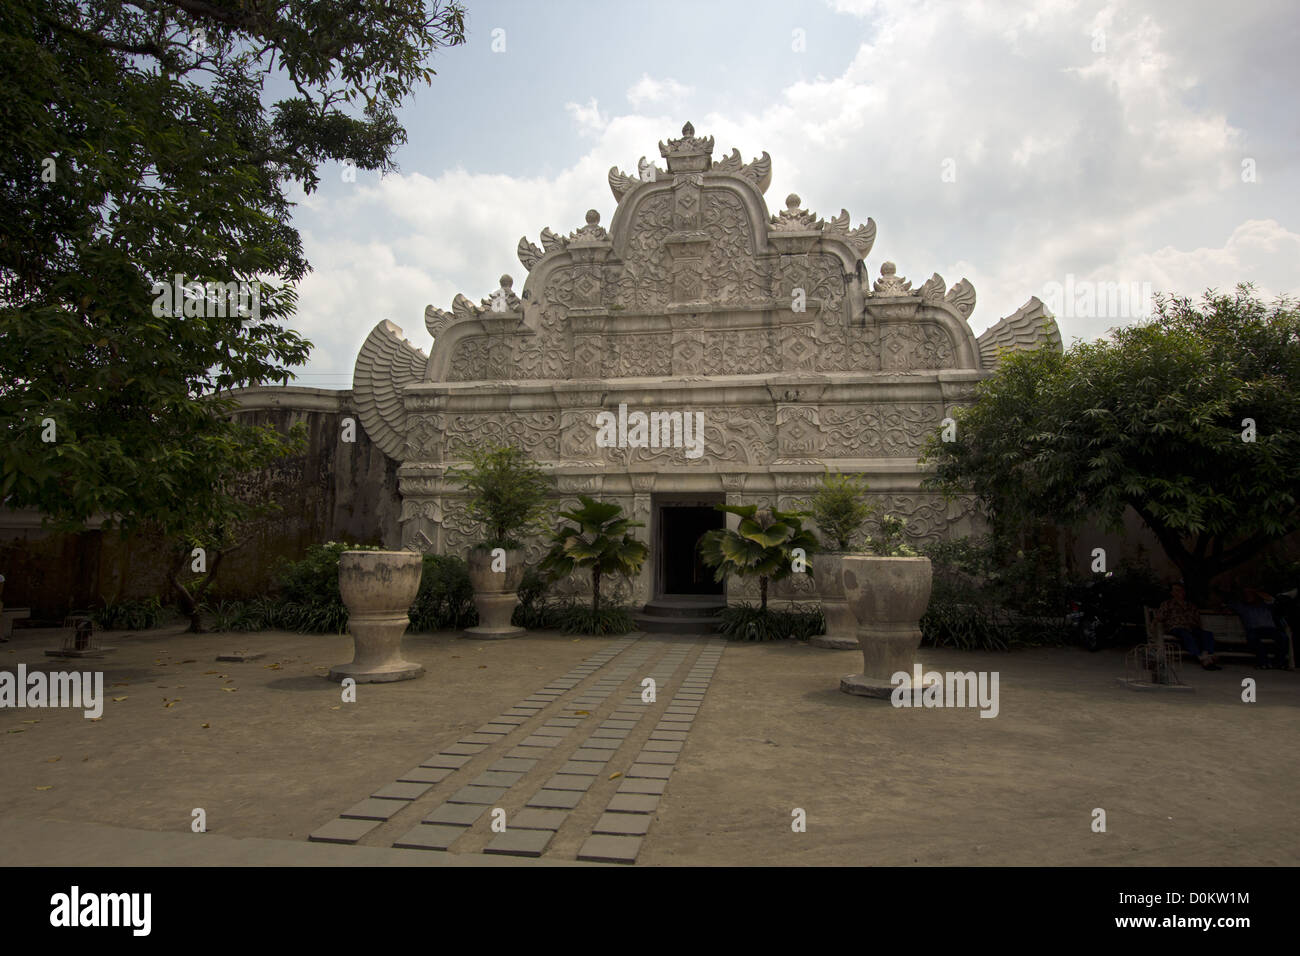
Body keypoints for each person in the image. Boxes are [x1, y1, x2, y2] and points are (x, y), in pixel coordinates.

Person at [1155, 581, 1218, 669]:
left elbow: (1197, 620)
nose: (1179, 592)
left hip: (1191, 627)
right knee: (1185, 634)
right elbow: (1159, 617)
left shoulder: (1191, 605)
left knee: (1207, 634)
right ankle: (1200, 656)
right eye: (1176, 590)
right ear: (1172, 593)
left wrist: (1193, 625)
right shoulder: (1167, 604)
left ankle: (1207, 654)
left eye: (1181, 590)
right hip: (1176, 627)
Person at [1227, 586, 1292, 669]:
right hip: (1254, 630)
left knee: (1283, 637)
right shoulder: (1241, 606)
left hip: (1270, 629)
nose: (1249, 595)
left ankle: (1279, 663)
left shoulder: (1265, 604)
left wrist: (1255, 591)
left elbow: (1272, 599)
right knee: (1252, 638)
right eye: (1246, 594)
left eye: (1250, 594)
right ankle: (1264, 662)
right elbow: (1229, 603)